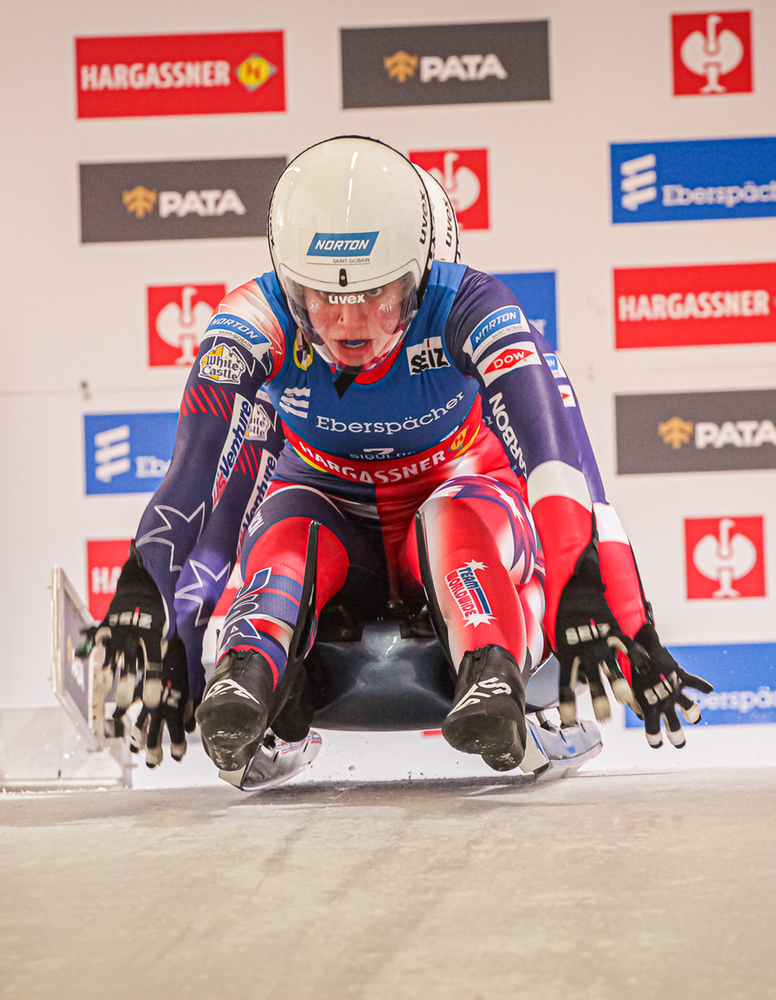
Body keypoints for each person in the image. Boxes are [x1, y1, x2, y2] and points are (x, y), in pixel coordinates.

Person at [87, 135, 711, 784]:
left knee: (454, 519)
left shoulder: (478, 311)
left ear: (425, 275)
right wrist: (171, 625)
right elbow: (208, 493)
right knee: (285, 533)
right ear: (293, 285)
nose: (351, 324)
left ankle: (490, 672)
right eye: (326, 297)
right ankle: (250, 676)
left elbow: (564, 473)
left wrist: (607, 612)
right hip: (330, 539)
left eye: (379, 296)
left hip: (460, 524)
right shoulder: (253, 326)